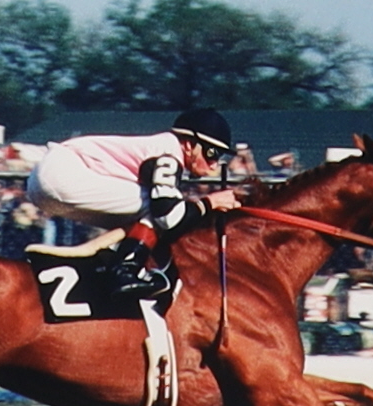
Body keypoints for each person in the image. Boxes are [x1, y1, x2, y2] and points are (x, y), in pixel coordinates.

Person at [26, 108, 241, 297]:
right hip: (61, 173)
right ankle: (123, 273)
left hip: (42, 180)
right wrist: (208, 204)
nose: (215, 164)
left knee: (145, 212)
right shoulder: (168, 152)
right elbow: (168, 216)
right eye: (212, 153)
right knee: (160, 208)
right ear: (188, 145)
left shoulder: (164, 149)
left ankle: (106, 260)